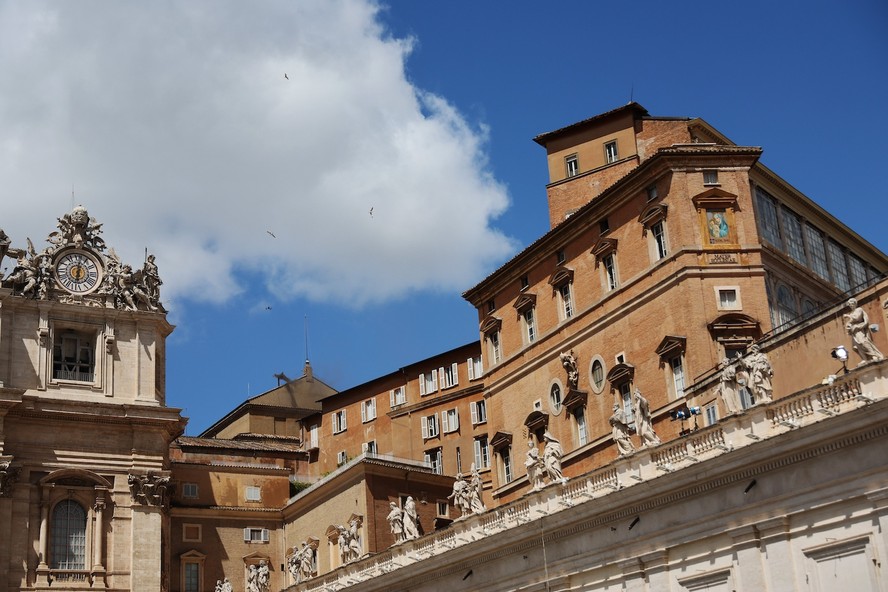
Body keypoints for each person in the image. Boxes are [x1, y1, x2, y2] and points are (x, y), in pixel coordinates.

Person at [844, 297, 884, 364]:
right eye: (849, 305)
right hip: (854, 331)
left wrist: (848, 316)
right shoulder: (851, 313)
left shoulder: (859, 309)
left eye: (851, 304)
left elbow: (857, 318)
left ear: (854, 304)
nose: (850, 306)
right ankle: (864, 359)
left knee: (863, 342)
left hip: (860, 329)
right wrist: (848, 326)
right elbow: (850, 322)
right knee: (857, 345)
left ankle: (874, 355)